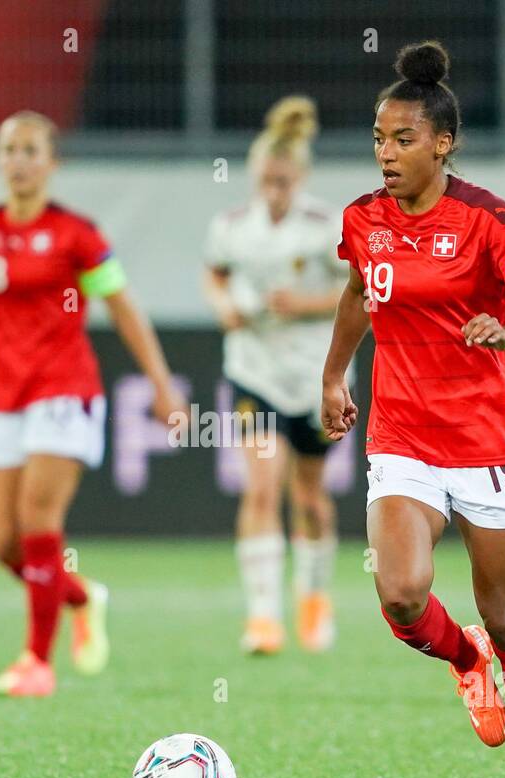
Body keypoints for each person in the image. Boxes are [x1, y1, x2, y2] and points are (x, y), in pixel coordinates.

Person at [320, 41, 505, 778]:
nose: (385, 153)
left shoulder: (489, 218)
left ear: (443, 142)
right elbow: (361, 294)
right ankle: (464, 658)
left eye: (401, 139)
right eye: (377, 138)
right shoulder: (364, 218)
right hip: (402, 436)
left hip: (488, 440)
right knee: (399, 595)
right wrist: (333, 375)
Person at [0, 111, 185, 698]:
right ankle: (80, 596)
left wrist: (162, 384)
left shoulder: (78, 236)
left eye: (29, 150)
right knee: (3, 543)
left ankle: (35, 663)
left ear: (52, 162)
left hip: (64, 391)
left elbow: (123, 308)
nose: (17, 161)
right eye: (8, 149)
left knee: (39, 524)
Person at [202, 95, 348, 655]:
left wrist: (307, 303)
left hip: (315, 374)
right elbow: (214, 276)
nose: (273, 191)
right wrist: (223, 306)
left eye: (283, 181)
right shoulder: (233, 226)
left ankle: (313, 596)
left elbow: (361, 293)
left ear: (301, 178)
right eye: (265, 180)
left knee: (308, 495)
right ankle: (263, 616)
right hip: (253, 368)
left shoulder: (326, 225)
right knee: (261, 483)